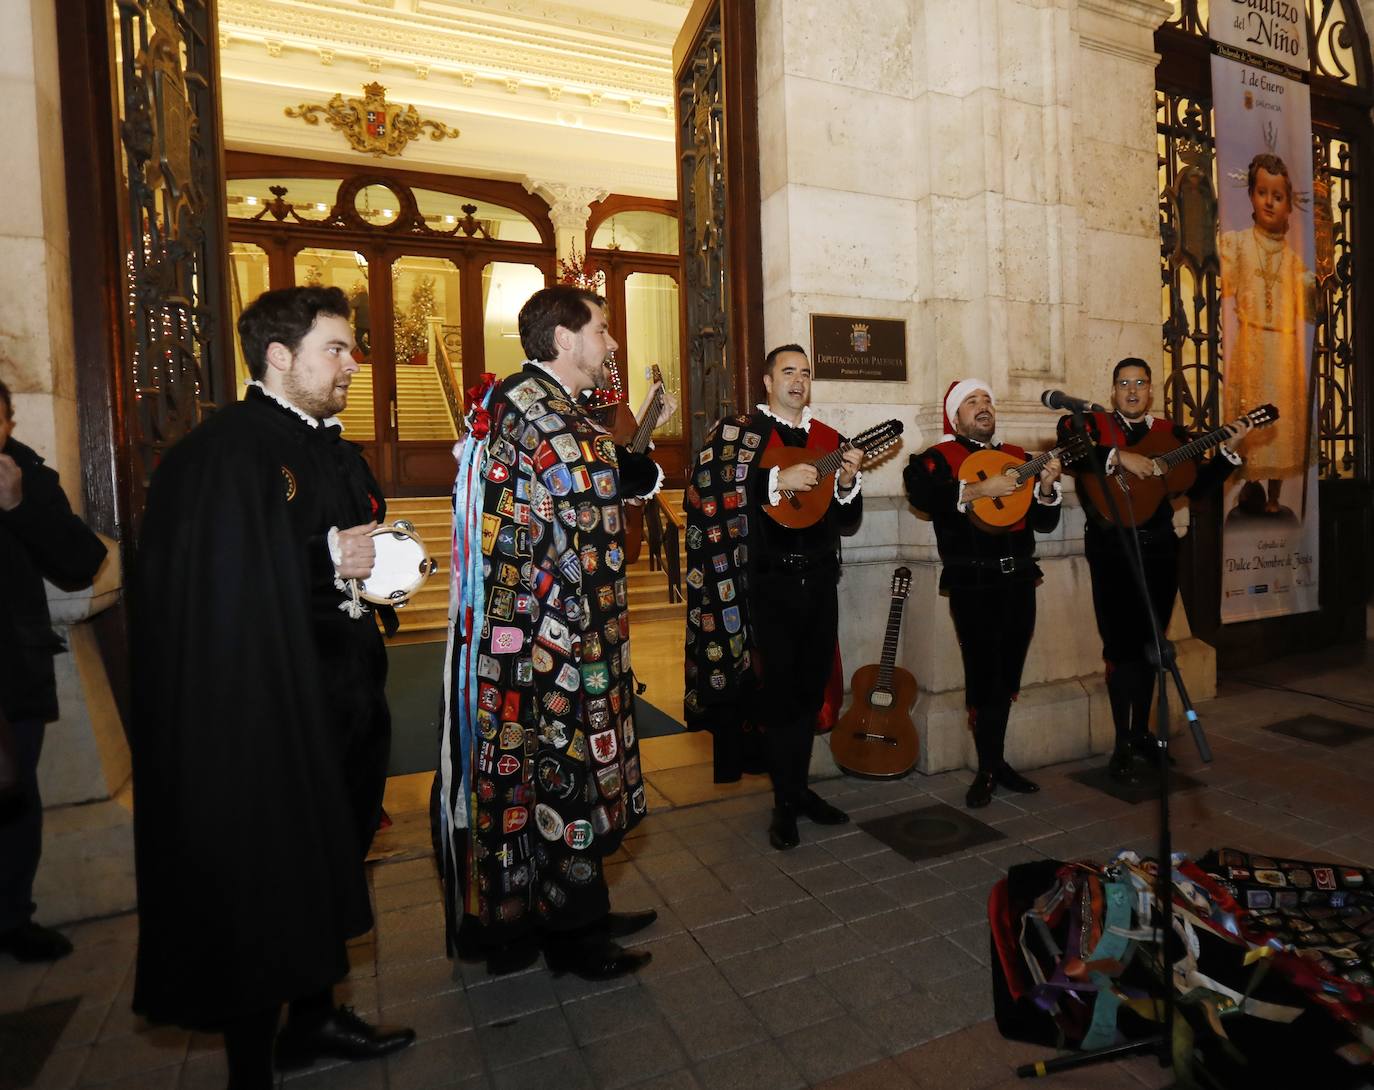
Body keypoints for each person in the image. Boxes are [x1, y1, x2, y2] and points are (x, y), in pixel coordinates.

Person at [129, 287, 413, 1089]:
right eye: (337, 349)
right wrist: (330, 560)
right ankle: (249, 1065)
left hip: (342, 695)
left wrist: (376, 568)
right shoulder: (228, 451)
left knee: (328, 861)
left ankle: (315, 1021)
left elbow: (333, 547)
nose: (353, 364)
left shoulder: (327, 444)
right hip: (265, 711)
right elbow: (223, 580)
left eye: (352, 349)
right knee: (263, 879)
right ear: (278, 357)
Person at [436, 285, 675, 981]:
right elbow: (580, 479)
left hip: (571, 634)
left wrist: (627, 469)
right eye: (601, 329)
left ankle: (582, 905)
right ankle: (573, 935)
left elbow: (586, 479)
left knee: (573, 777)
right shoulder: (531, 406)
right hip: (542, 644)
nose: (612, 344)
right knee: (562, 780)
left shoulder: (553, 407)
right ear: (565, 339)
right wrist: (632, 470)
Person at [683, 344, 863, 850]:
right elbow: (706, 490)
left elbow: (846, 520)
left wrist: (846, 482)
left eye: (805, 373)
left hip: (820, 582)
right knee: (778, 693)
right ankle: (784, 803)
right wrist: (773, 480)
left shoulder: (828, 439)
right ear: (766, 381)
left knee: (809, 688)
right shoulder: (739, 433)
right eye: (788, 372)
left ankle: (798, 789)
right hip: (765, 585)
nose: (798, 381)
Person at [1057, 358, 1251, 780]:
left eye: (1140, 383)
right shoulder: (1091, 426)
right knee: (1120, 649)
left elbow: (1196, 489)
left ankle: (1143, 734)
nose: (1131, 390)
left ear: (1151, 392)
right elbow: (1070, 450)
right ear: (1112, 392)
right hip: (1112, 553)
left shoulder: (1172, 435)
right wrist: (1122, 458)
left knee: (1151, 647)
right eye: (1123, 383)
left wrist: (1229, 453)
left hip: (1160, 552)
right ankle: (1122, 742)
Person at [904, 379, 1062, 809]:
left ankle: (997, 761)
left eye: (987, 400)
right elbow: (918, 492)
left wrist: (1046, 487)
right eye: (971, 402)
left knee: (1008, 673)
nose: (982, 407)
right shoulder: (937, 459)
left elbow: (1044, 524)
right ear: (955, 416)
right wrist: (976, 490)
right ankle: (988, 768)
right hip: (974, 583)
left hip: (1020, 581)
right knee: (983, 672)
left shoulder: (1019, 459)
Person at [0, 379, 107, 962]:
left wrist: (19, 509)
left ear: (9, 424)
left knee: (14, 793)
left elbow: (81, 563)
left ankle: (12, 918)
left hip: (11, 672)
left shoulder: (25, 476)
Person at [1218, 153, 1314, 514]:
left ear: (1289, 204)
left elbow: (1310, 304)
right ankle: (1250, 488)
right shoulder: (1239, 244)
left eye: (1278, 195)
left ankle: (1274, 497)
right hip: (1254, 346)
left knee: (1282, 426)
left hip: (1284, 352)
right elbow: (1222, 279)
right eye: (1262, 192)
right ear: (1251, 197)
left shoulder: (1293, 260)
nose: (1270, 202)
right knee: (1251, 420)